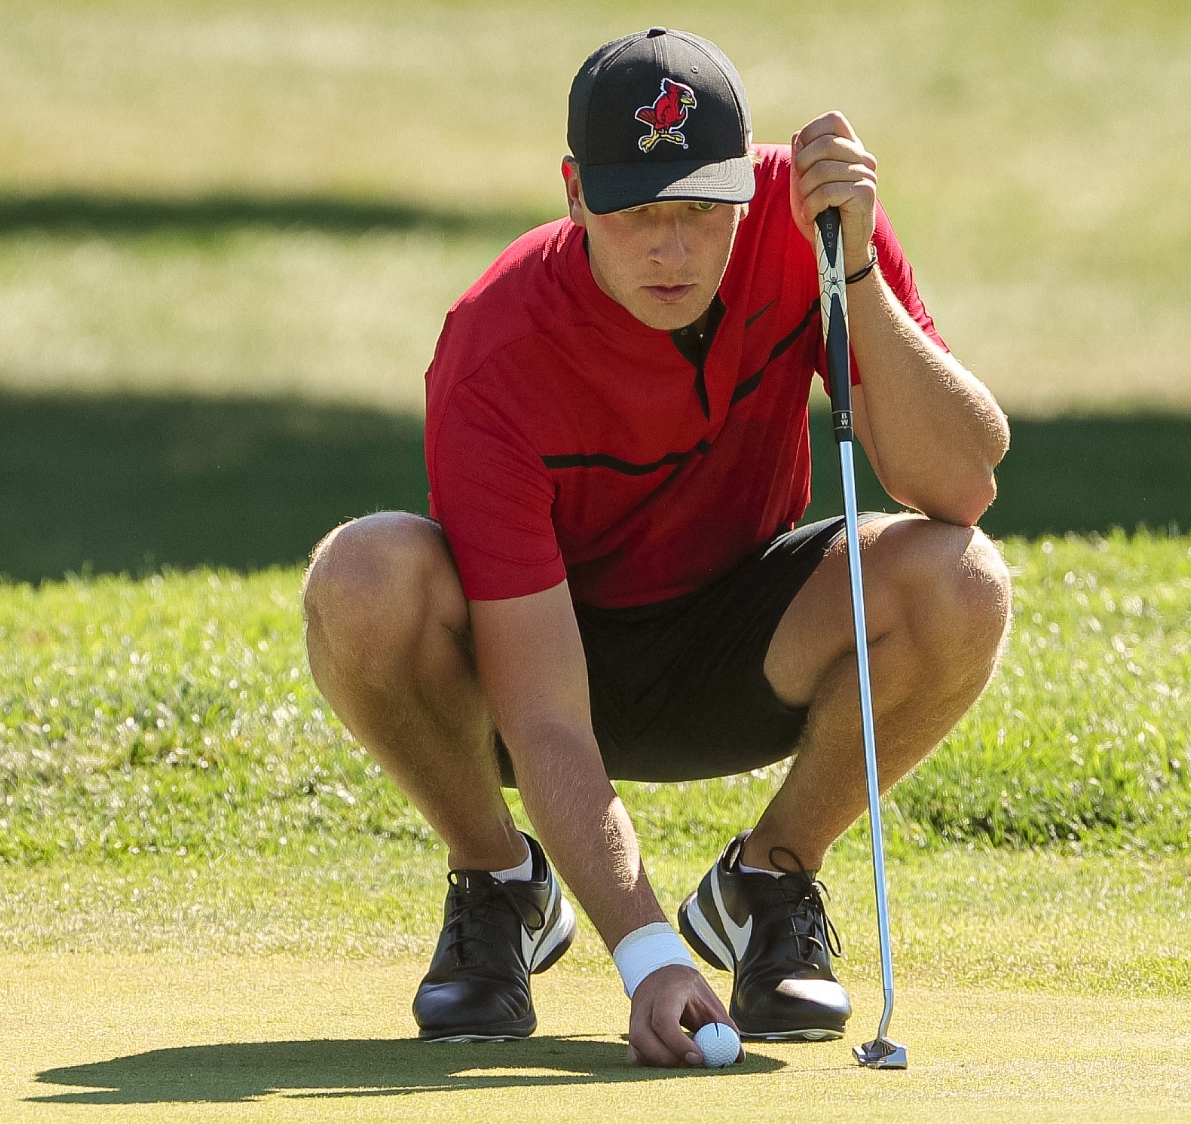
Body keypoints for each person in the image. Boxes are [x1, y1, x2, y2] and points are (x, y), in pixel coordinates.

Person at [302, 27, 1012, 1068]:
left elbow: (958, 482)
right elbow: (544, 714)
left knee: (961, 580)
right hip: (542, 652)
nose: (670, 250)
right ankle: (498, 881)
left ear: (746, 187)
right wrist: (646, 955)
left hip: (741, 631)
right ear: (573, 194)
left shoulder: (810, 221)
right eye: (635, 212)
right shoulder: (495, 348)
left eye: (698, 209)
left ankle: (767, 880)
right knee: (362, 576)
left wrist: (853, 268)